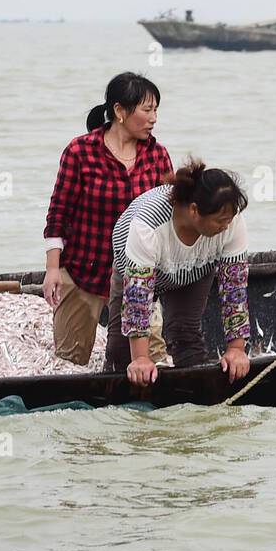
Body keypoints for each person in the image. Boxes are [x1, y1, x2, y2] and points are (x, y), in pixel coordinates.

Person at [43, 73, 173, 365]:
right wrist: (53, 268)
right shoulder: (80, 151)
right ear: (119, 111)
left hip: (137, 276)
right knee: (70, 360)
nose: (154, 118)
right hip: (83, 270)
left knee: (153, 359)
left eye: (156, 111)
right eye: (147, 110)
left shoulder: (158, 155)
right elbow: (58, 212)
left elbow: (167, 219)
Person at [105, 161, 251, 386]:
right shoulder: (148, 225)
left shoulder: (231, 222)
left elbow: (235, 289)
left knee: (185, 333)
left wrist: (236, 349)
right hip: (136, 269)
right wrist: (141, 359)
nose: (226, 226)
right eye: (220, 221)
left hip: (195, 268)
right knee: (120, 348)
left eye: (229, 220)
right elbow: (138, 298)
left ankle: (196, 398)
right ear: (194, 210)